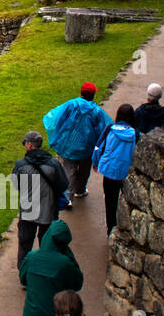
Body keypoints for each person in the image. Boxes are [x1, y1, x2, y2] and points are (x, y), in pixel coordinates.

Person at [17, 220, 82, 316]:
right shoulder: (65, 263)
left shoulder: (31, 257)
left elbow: (23, 278)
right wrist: (69, 255)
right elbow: (78, 283)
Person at [42, 82, 113, 206]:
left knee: (69, 169)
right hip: (86, 146)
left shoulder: (71, 104)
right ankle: (80, 190)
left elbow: (56, 117)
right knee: (84, 169)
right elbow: (102, 129)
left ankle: (67, 197)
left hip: (68, 144)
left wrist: (59, 134)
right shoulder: (96, 111)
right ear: (93, 94)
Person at [12, 130, 68, 278]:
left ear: (29, 145)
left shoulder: (21, 164)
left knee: (25, 244)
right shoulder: (53, 163)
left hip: (28, 210)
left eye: (25, 143)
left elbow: (16, 185)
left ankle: (24, 275)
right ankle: (43, 273)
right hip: (48, 209)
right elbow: (63, 184)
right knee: (46, 244)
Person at [94, 104, 139, 236]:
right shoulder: (136, 135)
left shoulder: (110, 130)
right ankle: (124, 227)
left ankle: (111, 228)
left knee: (110, 201)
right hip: (125, 173)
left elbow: (99, 147)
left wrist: (96, 162)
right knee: (125, 201)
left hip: (109, 172)